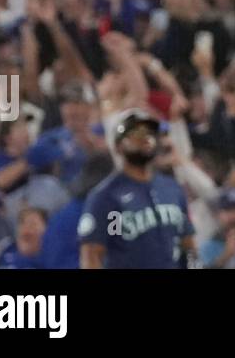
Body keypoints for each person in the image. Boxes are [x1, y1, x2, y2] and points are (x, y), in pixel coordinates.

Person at [78, 108, 195, 269]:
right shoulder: (106, 197)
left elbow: (188, 244)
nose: (145, 139)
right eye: (136, 134)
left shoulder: (172, 188)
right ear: (119, 146)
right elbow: (92, 256)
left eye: (149, 133)